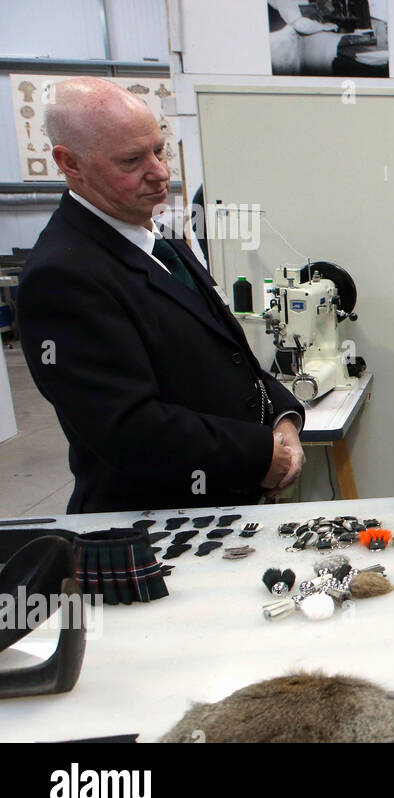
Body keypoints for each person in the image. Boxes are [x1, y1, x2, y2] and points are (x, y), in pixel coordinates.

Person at [18, 77, 305, 513]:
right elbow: (129, 428)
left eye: (159, 149)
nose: (160, 172)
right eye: (132, 160)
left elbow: (230, 353)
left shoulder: (157, 237)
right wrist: (259, 453)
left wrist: (283, 418)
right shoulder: (63, 275)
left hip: (221, 503)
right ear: (70, 163)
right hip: (153, 525)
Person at [267, 0, 337, 75]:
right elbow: (300, 24)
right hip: (280, 49)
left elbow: (292, 2)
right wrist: (324, 26)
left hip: (282, 46)